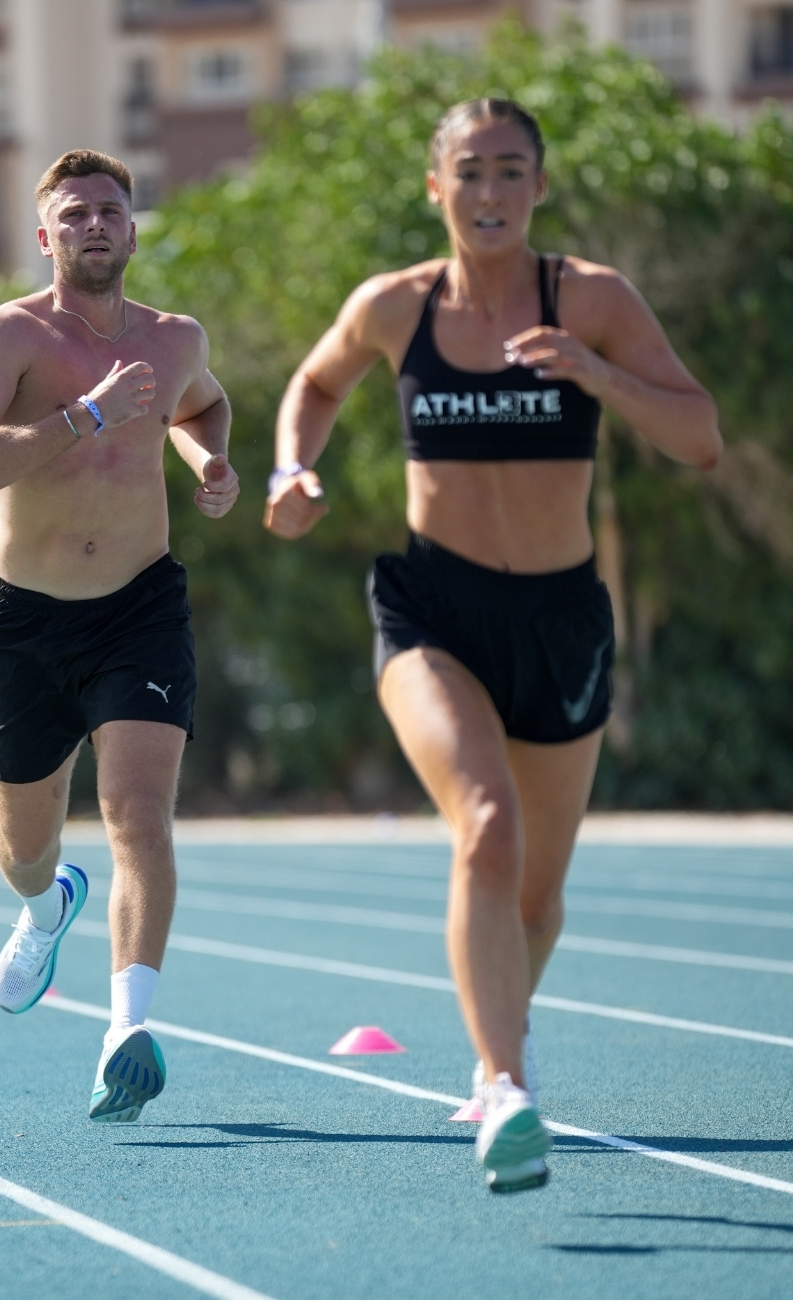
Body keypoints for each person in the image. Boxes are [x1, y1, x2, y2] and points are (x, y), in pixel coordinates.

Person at [266, 99, 721, 1192]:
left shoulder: (593, 298)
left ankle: (489, 1053)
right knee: (484, 823)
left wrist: (598, 375)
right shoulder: (393, 307)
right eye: (468, 172)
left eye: (509, 172)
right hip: (434, 608)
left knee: (535, 894)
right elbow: (316, 383)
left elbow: (698, 436)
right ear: (437, 188)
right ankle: (507, 1089)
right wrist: (291, 467)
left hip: (561, 619)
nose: (489, 194)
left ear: (539, 187)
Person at [0, 149, 239, 1124]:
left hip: (138, 609)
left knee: (138, 817)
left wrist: (210, 458)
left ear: (135, 230)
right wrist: (82, 415)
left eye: (110, 210)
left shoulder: (173, 338)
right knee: (24, 845)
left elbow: (204, 401)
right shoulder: (9, 335)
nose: (94, 225)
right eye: (74, 214)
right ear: (45, 236)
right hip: (24, 618)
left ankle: (125, 1030)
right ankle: (41, 905)